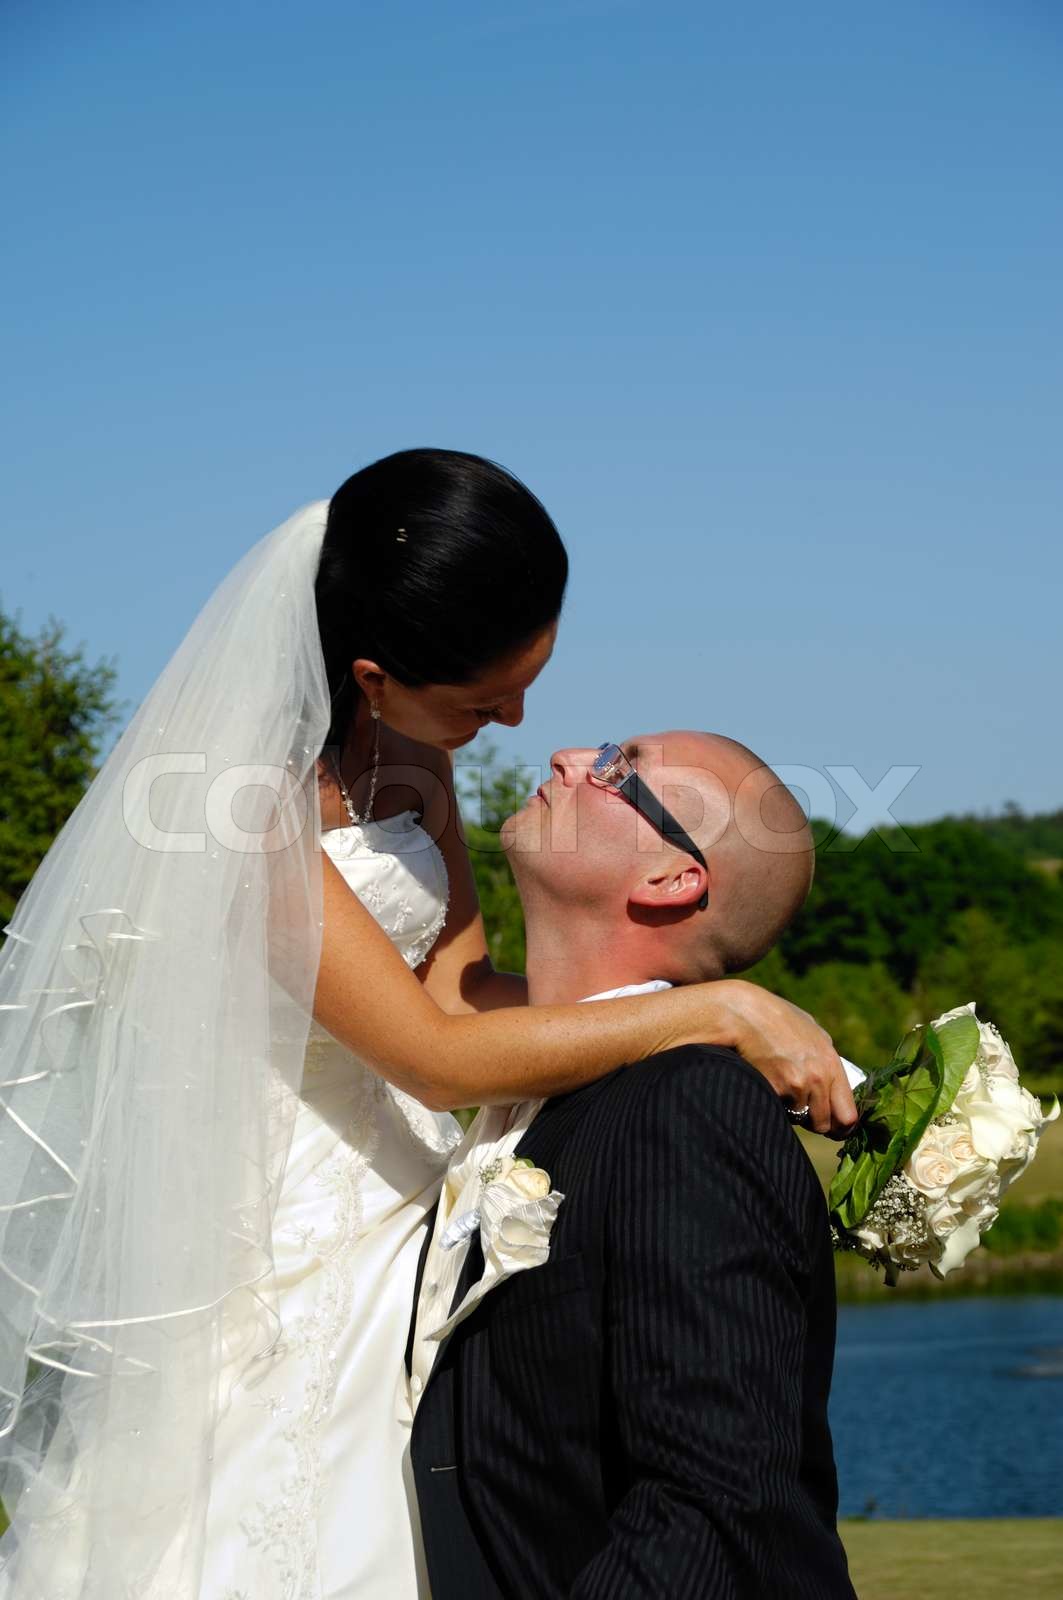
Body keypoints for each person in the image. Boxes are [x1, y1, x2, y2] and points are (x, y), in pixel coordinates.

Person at [0, 454, 854, 1599]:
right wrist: (719, 1006)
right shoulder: (236, 814)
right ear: (370, 672)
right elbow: (434, 1059)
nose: (515, 720)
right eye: (480, 700)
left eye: (527, 679)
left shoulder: (415, 765)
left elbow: (467, 995)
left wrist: (671, 1023)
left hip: (410, 1205)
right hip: (275, 1222)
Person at [409, 731, 858, 1598]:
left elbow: (711, 1508)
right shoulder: (540, 1095)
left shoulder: (691, 1107)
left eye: (621, 768)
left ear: (669, 879)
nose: (569, 754)